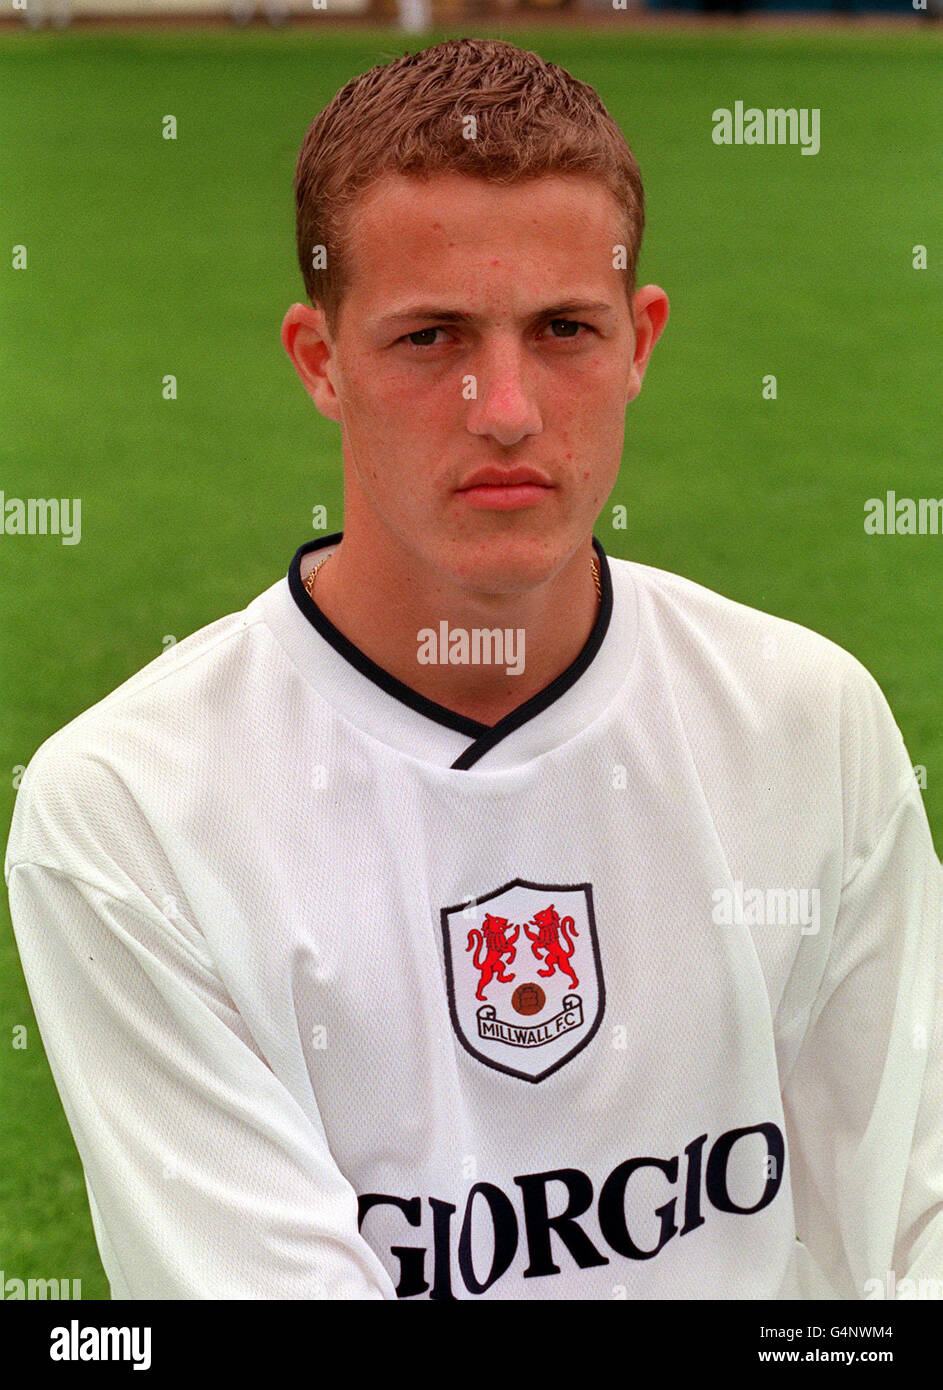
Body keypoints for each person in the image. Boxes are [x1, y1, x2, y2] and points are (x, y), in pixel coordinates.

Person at [5, 37, 940, 1300]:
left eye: (563, 329)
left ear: (639, 340)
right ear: (318, 359)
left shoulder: (805, 720)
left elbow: (904, 1225)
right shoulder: (128, 809)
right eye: (429, 335)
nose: (503, 407)